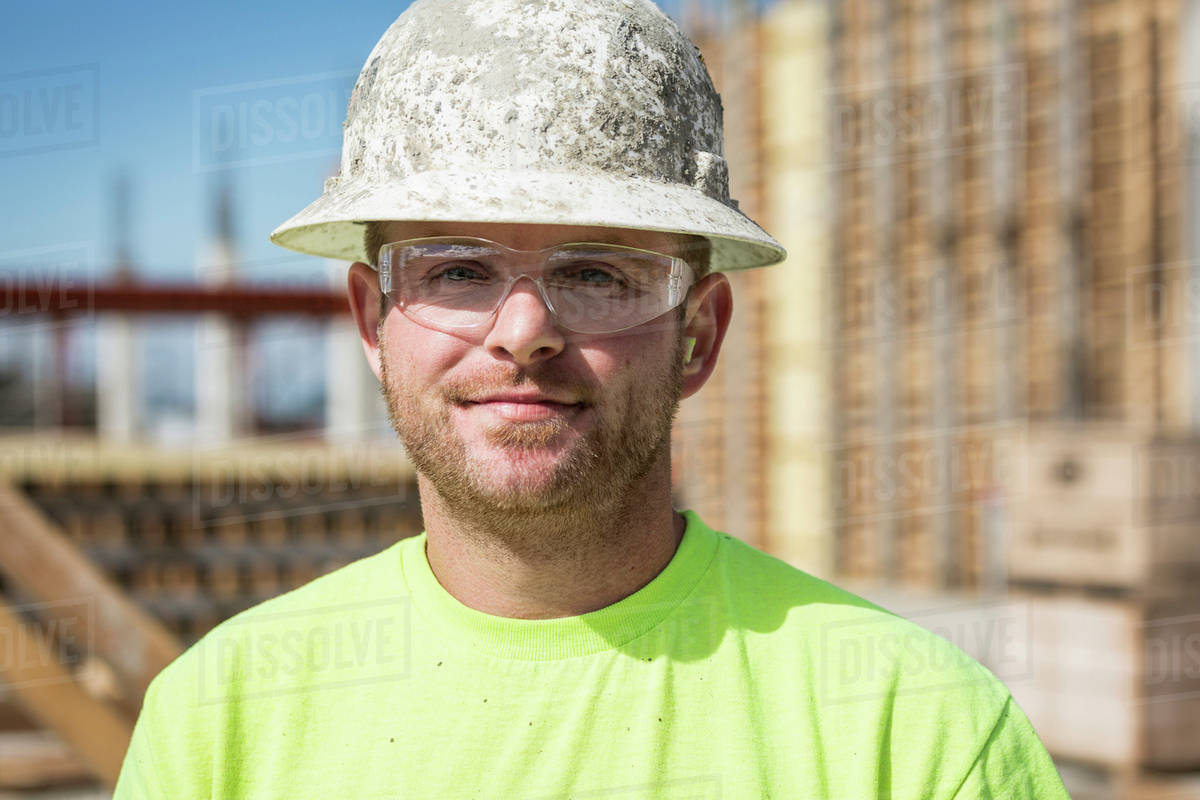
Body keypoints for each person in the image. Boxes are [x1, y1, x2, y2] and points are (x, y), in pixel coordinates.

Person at [114, 1, 1071, 797]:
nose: (523, 329)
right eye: (455, 270)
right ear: (373, 321)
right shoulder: (220, 727)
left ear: (699, 333)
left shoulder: (915, 736)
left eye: (599, 274)